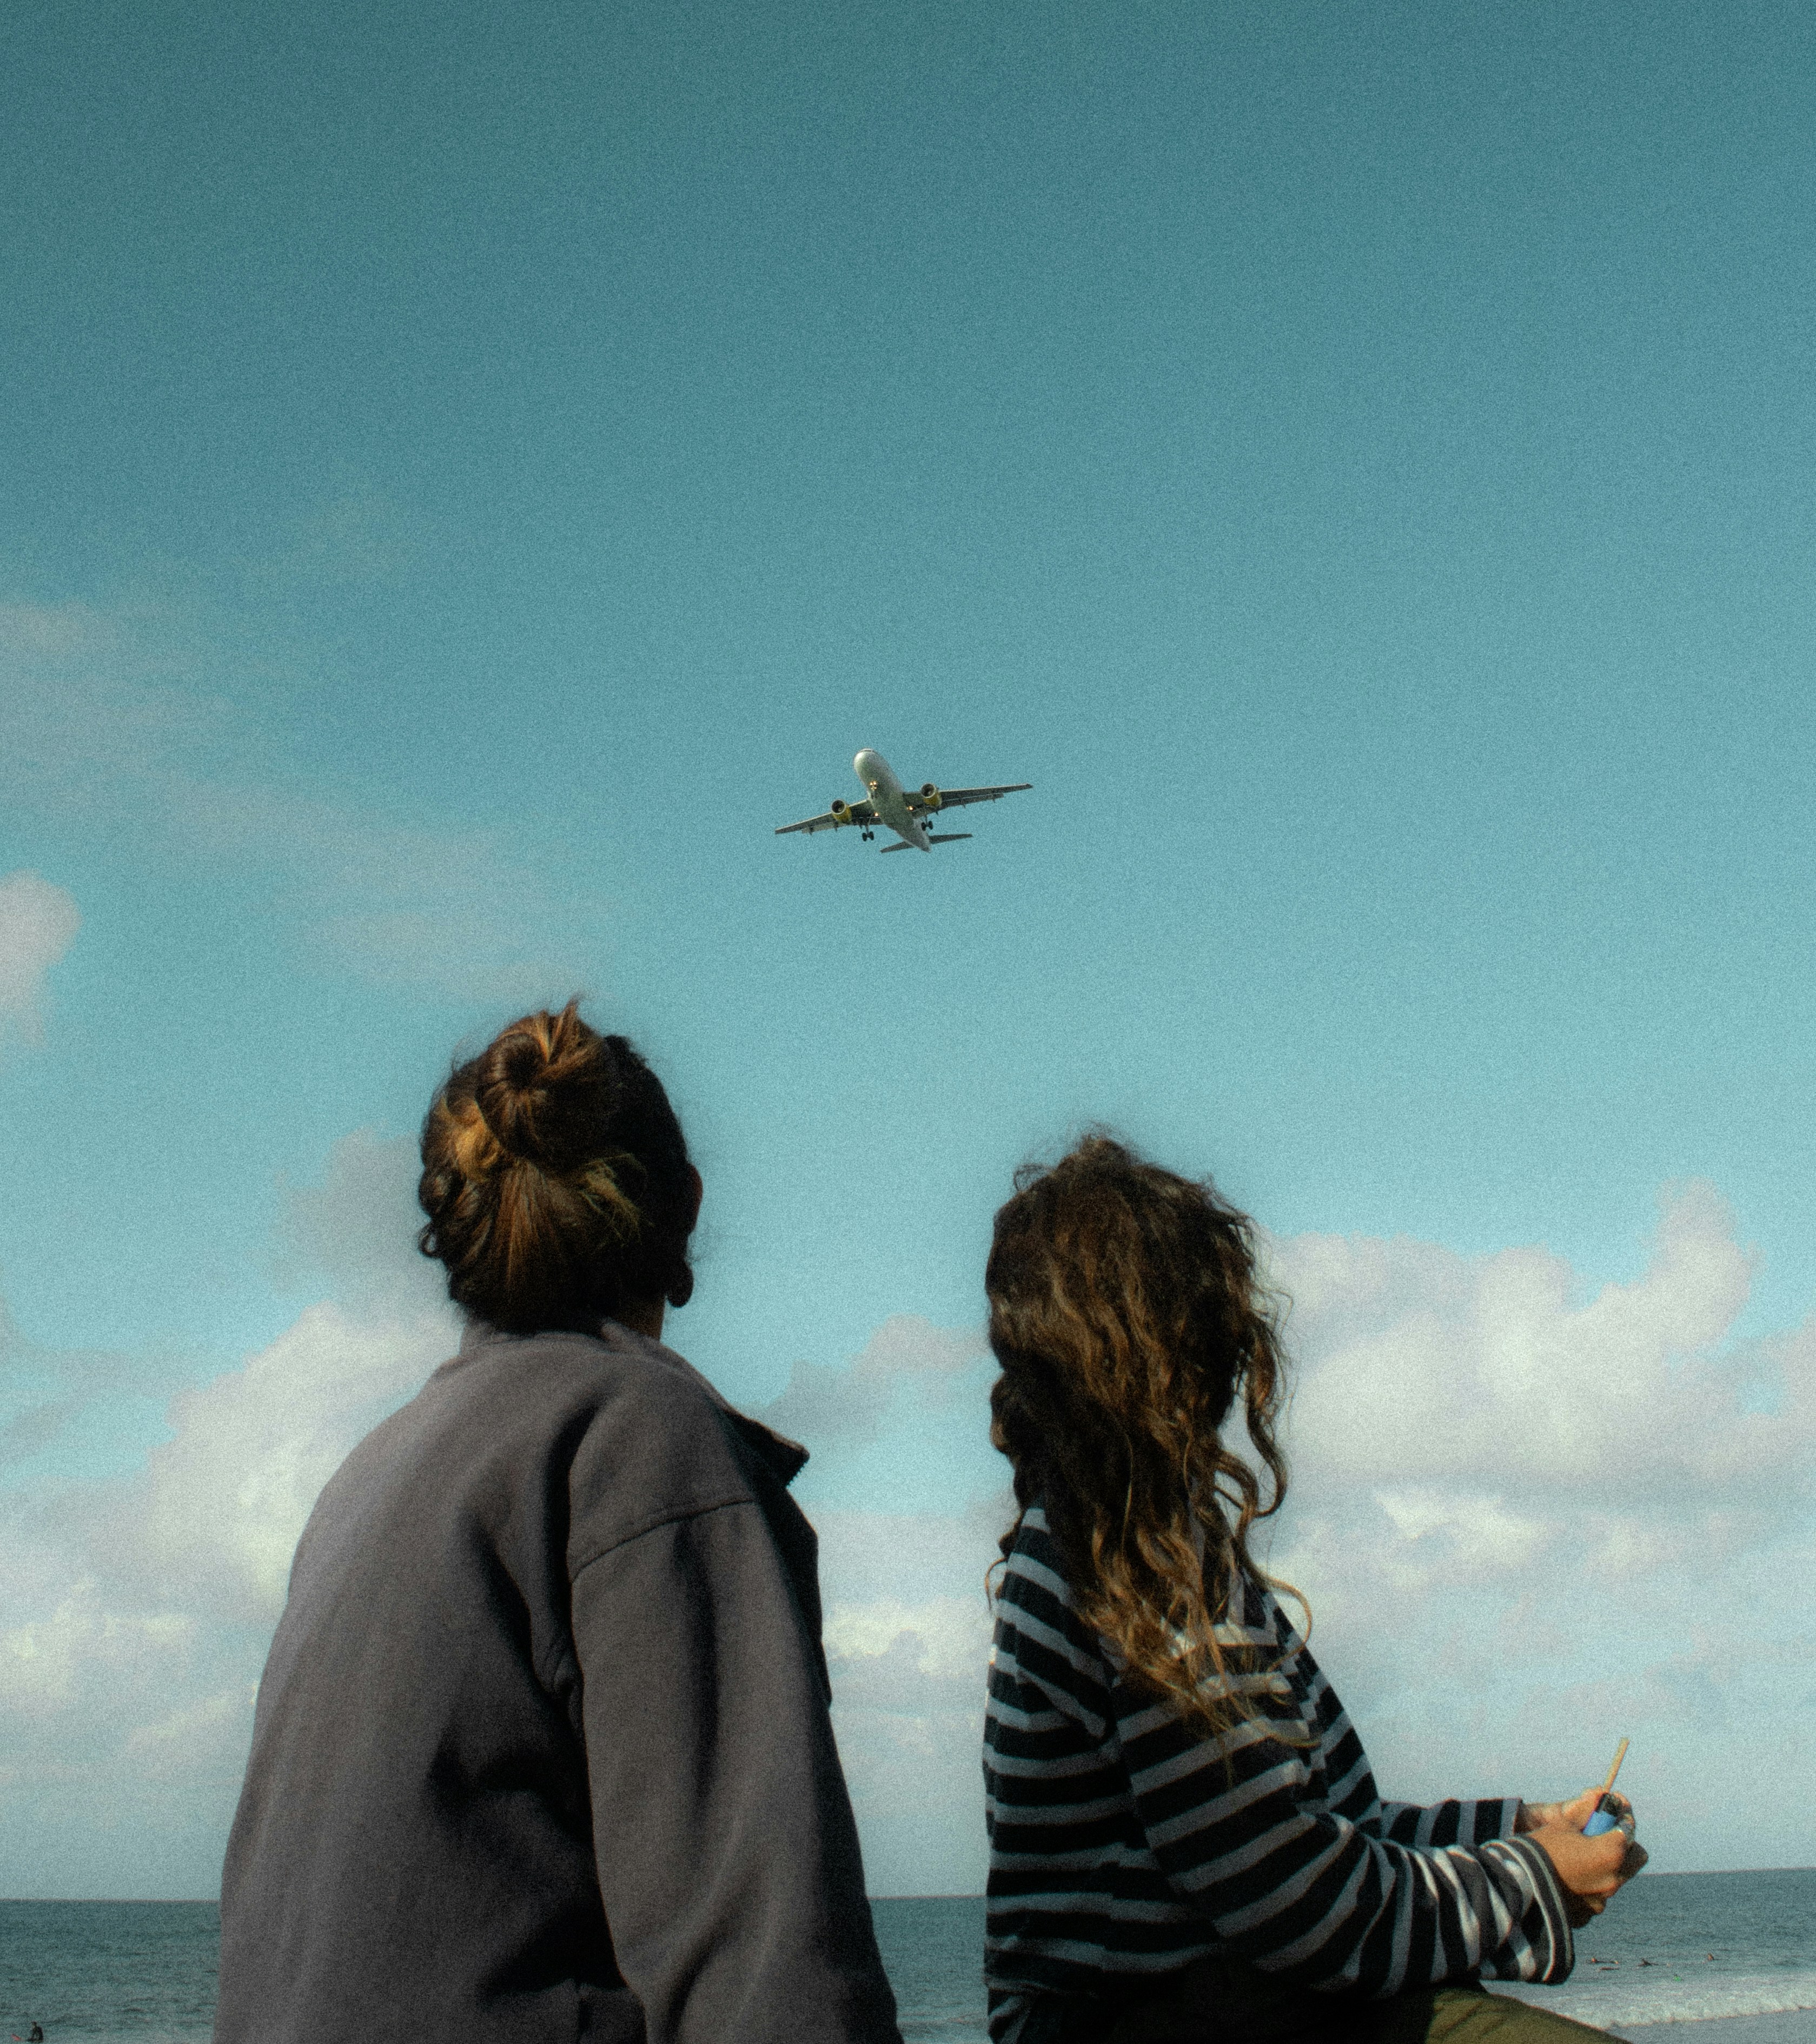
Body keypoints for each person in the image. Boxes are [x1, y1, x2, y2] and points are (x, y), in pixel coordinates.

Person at [215, 1004, 902, 2044]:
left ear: (456, 1224)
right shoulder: (645, 1446)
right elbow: (764, 1973)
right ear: (686, 1213)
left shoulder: (367, 1476)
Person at [982, 1137, 1642, 2044]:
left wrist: (1521, 1826)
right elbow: (1298, 1904)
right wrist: (1533, 1878)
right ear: (1182, 1338)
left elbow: (1316, 1834)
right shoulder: (1125, 1570)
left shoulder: (1121, 1548)